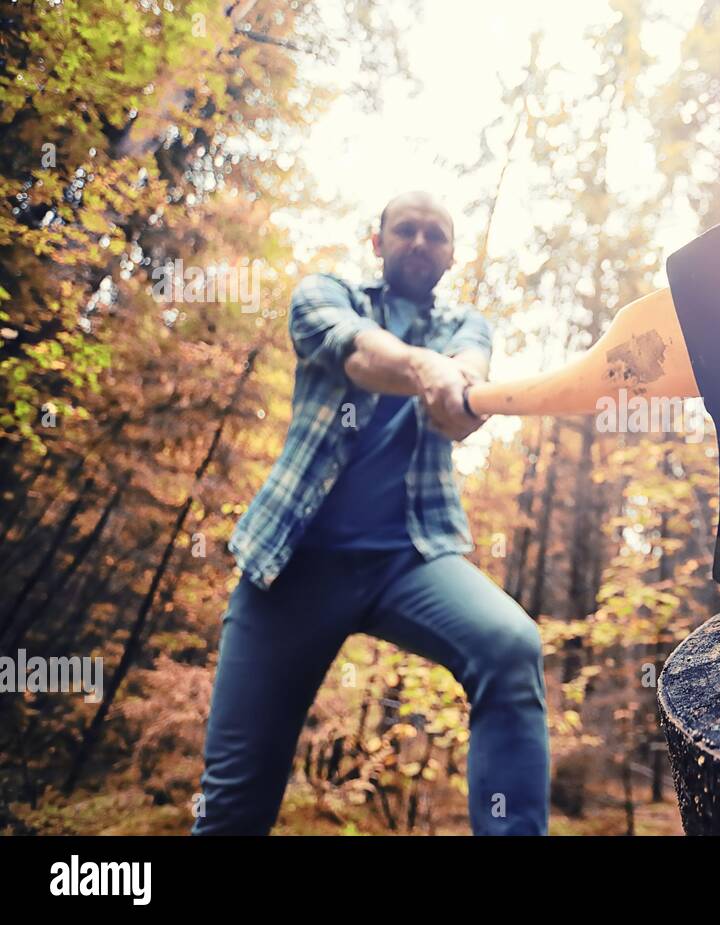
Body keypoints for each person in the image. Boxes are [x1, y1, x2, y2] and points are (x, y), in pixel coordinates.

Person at [191, 191, 550, 836]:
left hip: (409, 563)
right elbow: (355, 353)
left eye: (435, 234)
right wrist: (423, 368)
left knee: (509, 644)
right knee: (232, 808)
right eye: (405, 230)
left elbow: (463, 393)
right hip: (290, 567)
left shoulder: (466, 326)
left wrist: (461, 391)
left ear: (451, 254)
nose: (419, 242)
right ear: (378, 242)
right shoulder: (325, 293)